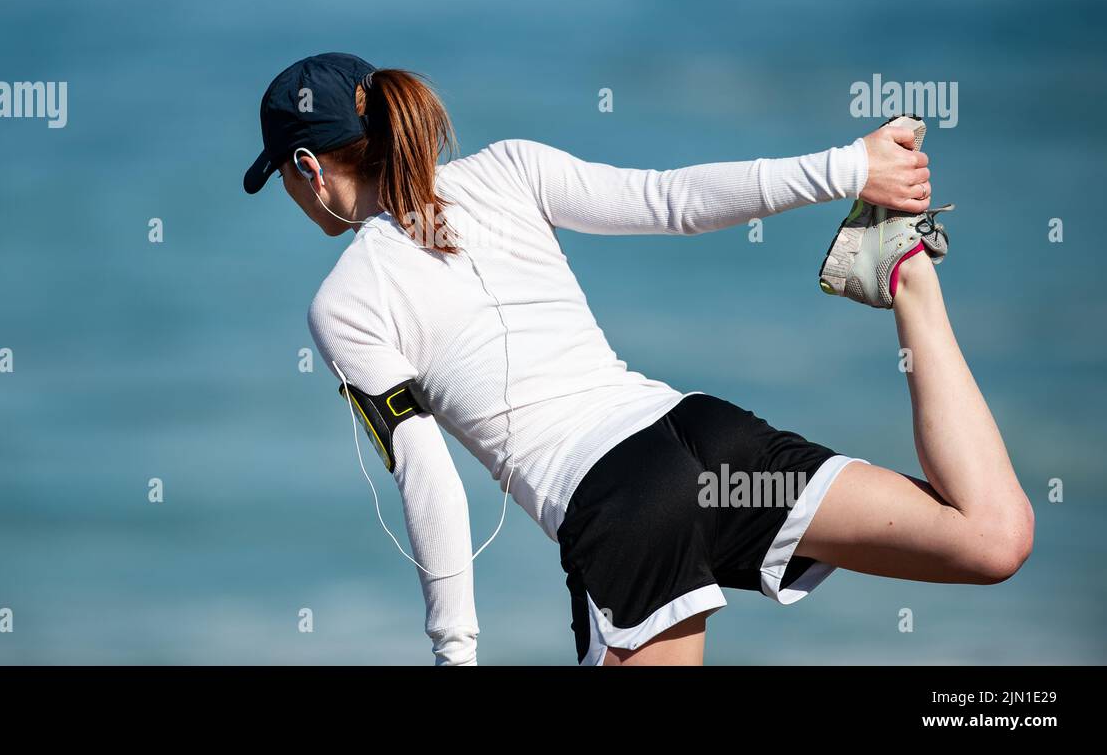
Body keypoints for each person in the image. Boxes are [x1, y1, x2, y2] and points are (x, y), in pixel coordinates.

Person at [243, 52, 1033, 666]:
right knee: (989, 537)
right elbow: (672, 201)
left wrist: (456, 654)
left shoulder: (344, 301)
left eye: (281, 175)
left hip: (625, 505)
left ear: (308, 168)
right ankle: (910, 280)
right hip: (702, 439)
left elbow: (430, 481)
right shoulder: (510, 168)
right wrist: (846, 169)